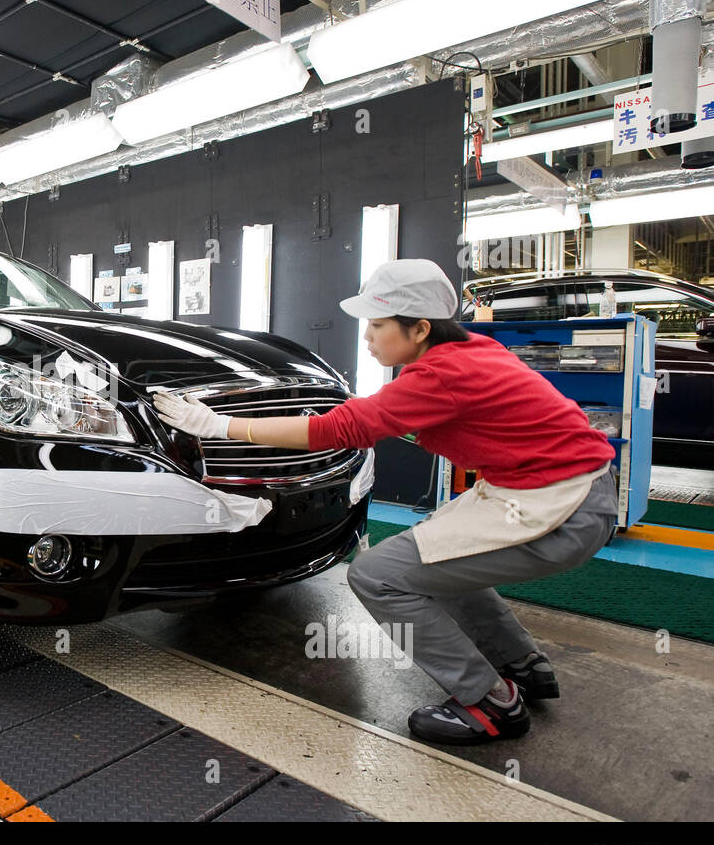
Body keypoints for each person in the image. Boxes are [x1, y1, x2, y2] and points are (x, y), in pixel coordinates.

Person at [153, 258, 618, 746]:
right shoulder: (474, 351)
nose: (369, 337)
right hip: (566, 490)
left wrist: (221, 426)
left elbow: (340, 429)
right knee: (440, 551)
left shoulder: (441, 375)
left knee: (377, 575)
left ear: (419, 328)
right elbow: (412, 416)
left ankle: (490, 704)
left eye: (377, 325)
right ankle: (520, 664)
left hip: (561, 506)